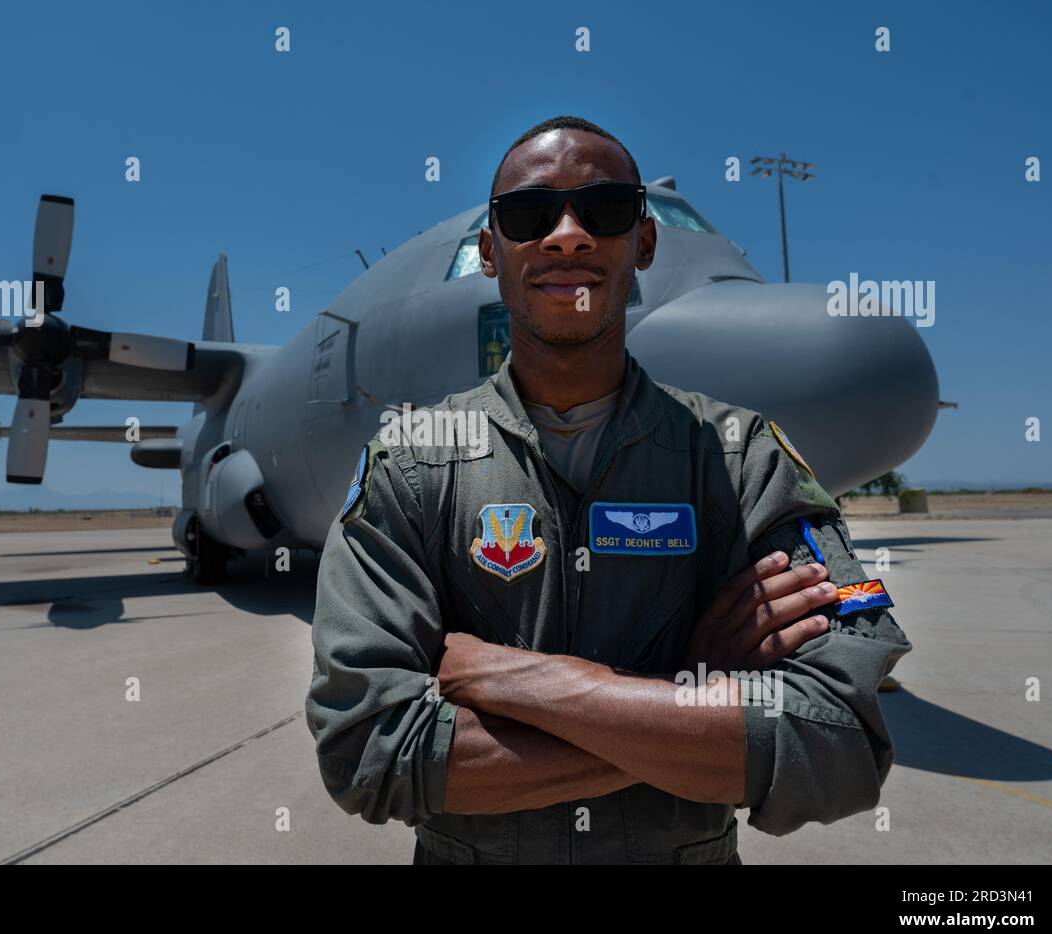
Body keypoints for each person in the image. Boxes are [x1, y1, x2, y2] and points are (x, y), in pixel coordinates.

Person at [305, 115, 912, 864]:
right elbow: (368, 754)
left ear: (645, 243)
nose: (567, 235)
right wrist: (691, 691)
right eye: (530, 215)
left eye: (606, 210)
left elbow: (840, 743)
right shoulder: (411, 462)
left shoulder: (741, 457)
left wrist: (515, 682)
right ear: (490, 255)